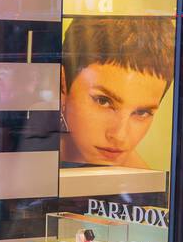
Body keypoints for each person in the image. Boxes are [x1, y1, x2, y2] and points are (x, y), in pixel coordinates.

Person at [59, 16, 174, 168]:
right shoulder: (31, 130)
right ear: (63, 83)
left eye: (141, 113)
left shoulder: (142, 187)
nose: (119, 136)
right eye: (103, 101)